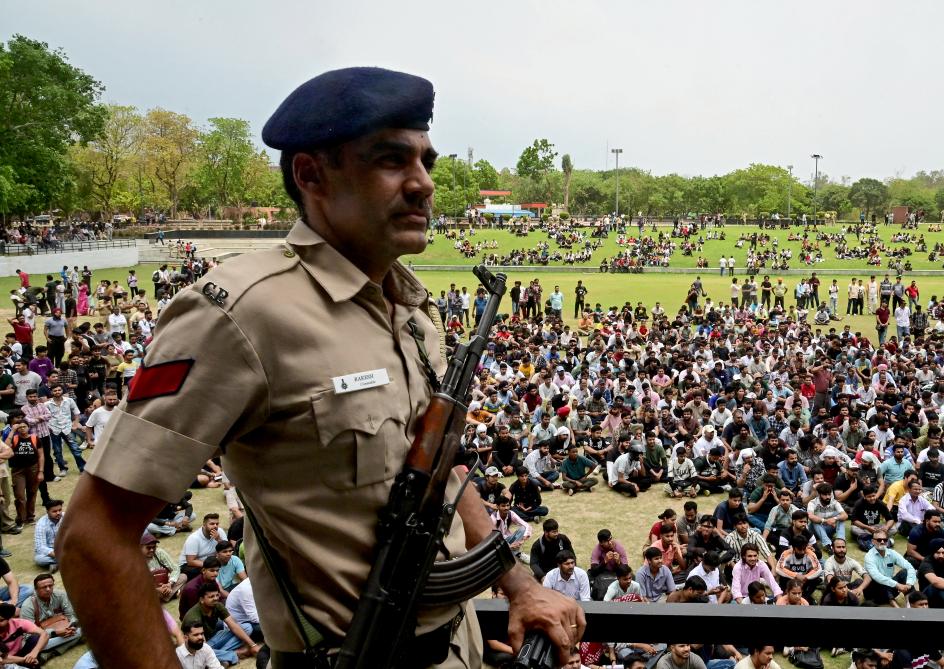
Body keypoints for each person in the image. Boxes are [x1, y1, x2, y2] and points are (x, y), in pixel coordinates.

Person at [59, 67, 582, 669]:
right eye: (391, 160)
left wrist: (516, 583)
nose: (422, 185)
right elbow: (95, 537)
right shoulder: (242, 313)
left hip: (458, 646)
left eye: (426, 162)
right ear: (311, 175)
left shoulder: (411, 310)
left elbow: (440, 465)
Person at [20, 573, 83, 657]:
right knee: (81, 633)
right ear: (36, 589)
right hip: (42, 639)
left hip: (64, 630)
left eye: (50, 585)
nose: (48, 589)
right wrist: (55, 633)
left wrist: (71, 626)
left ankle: (50, 654)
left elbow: (70, 615)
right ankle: (50, 650)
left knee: (83, 630)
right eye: (44, 587)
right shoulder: (27, 606)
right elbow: (29, 636)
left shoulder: (61, 595)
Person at [863, 530, 915, 606]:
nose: (882, 542)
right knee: (879, 581)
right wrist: (897, 585)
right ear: (873, 541)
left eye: (885, 540)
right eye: (879, 540)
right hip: (874, 593)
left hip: (889, 588)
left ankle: (909, 604)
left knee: (904, 573)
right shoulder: (869, 557)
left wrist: (909, 584)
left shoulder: (892, 553)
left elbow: (909, 567)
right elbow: (877, 577)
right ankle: (895, 605)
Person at [0, 601, 47, 667]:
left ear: (9, 618)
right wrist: (25, 660)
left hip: (20, 653)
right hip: (5, 661)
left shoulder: (18, 623)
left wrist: (34, 653)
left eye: (1, 620)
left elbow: (44, 634)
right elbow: (3, 659)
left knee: (35, 638)